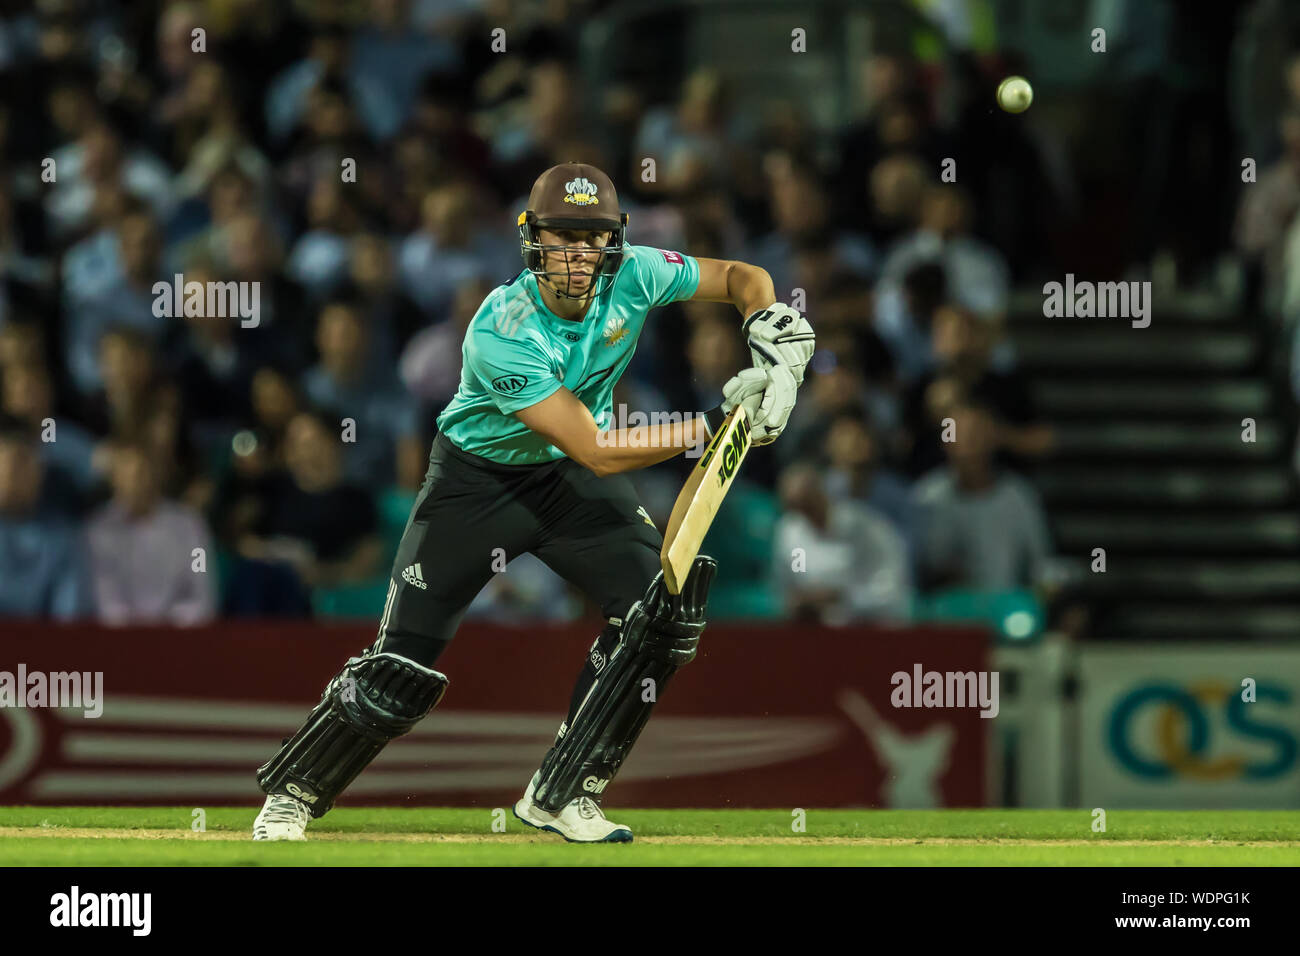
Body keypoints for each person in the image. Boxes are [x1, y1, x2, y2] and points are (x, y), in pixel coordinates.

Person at [252, 162, 815, 842]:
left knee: (658, 616)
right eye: (563, 238)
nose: (580, 255)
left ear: (615, 240)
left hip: (567, 484)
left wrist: (769, 332)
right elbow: (597, 448)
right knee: (399, 664)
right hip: (477, 483)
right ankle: (293, 794)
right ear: (533, 240)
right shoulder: (501, 328)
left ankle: (563, 793)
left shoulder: (637, 272)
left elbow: (741, 278)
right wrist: (719, 424)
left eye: (594, 238)